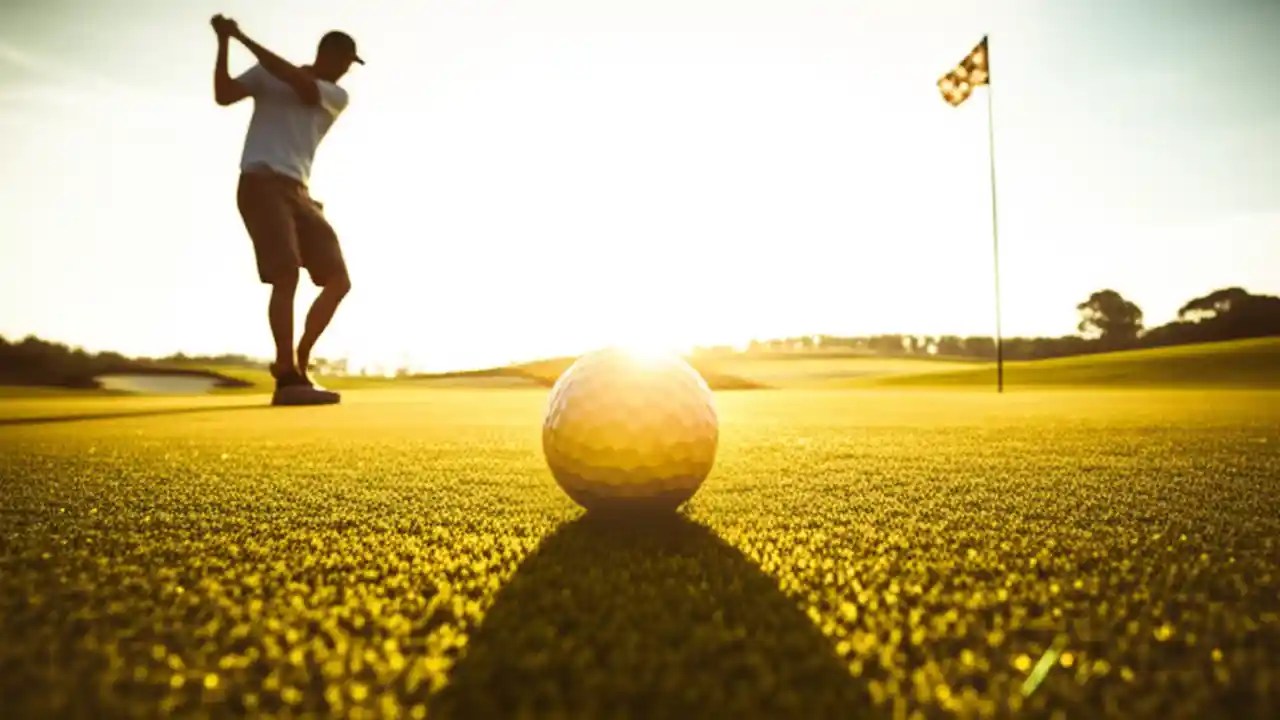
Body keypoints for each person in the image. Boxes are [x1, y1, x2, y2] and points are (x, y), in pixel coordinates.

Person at [210, 14, 363, 405]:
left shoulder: (333, 94)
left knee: (338, 280)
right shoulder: (268, 73)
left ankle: (298, 361)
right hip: (260, 184)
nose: (348, 69)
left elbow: (301, 86)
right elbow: (224, 94)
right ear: (329, 54)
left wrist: (241, 36)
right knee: (286, 273)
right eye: (346, 60)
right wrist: (225, 43)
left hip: (300, 192)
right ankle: (286, 376)